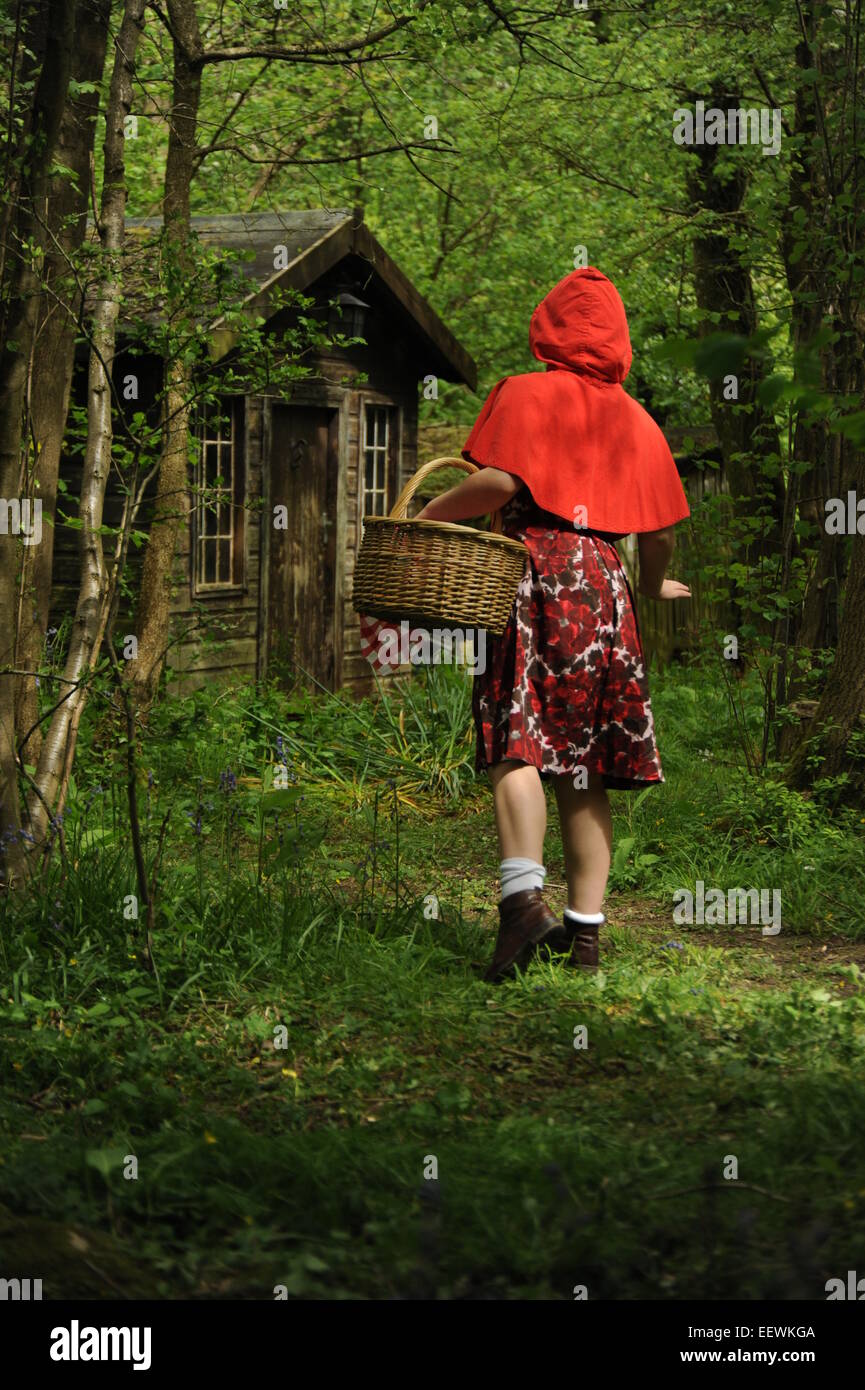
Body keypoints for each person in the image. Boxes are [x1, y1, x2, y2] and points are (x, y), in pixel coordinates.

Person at [414, 266, 691, 982]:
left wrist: (422, 517)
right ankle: (586, 941)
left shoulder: (525, 393)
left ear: (549, 329)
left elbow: (501, 483)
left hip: (533, 568)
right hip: (604, 585)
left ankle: (521, 907)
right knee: (584, 762)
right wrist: (655, 582)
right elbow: (658, 529)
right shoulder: (636, 418)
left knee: (520, 741)